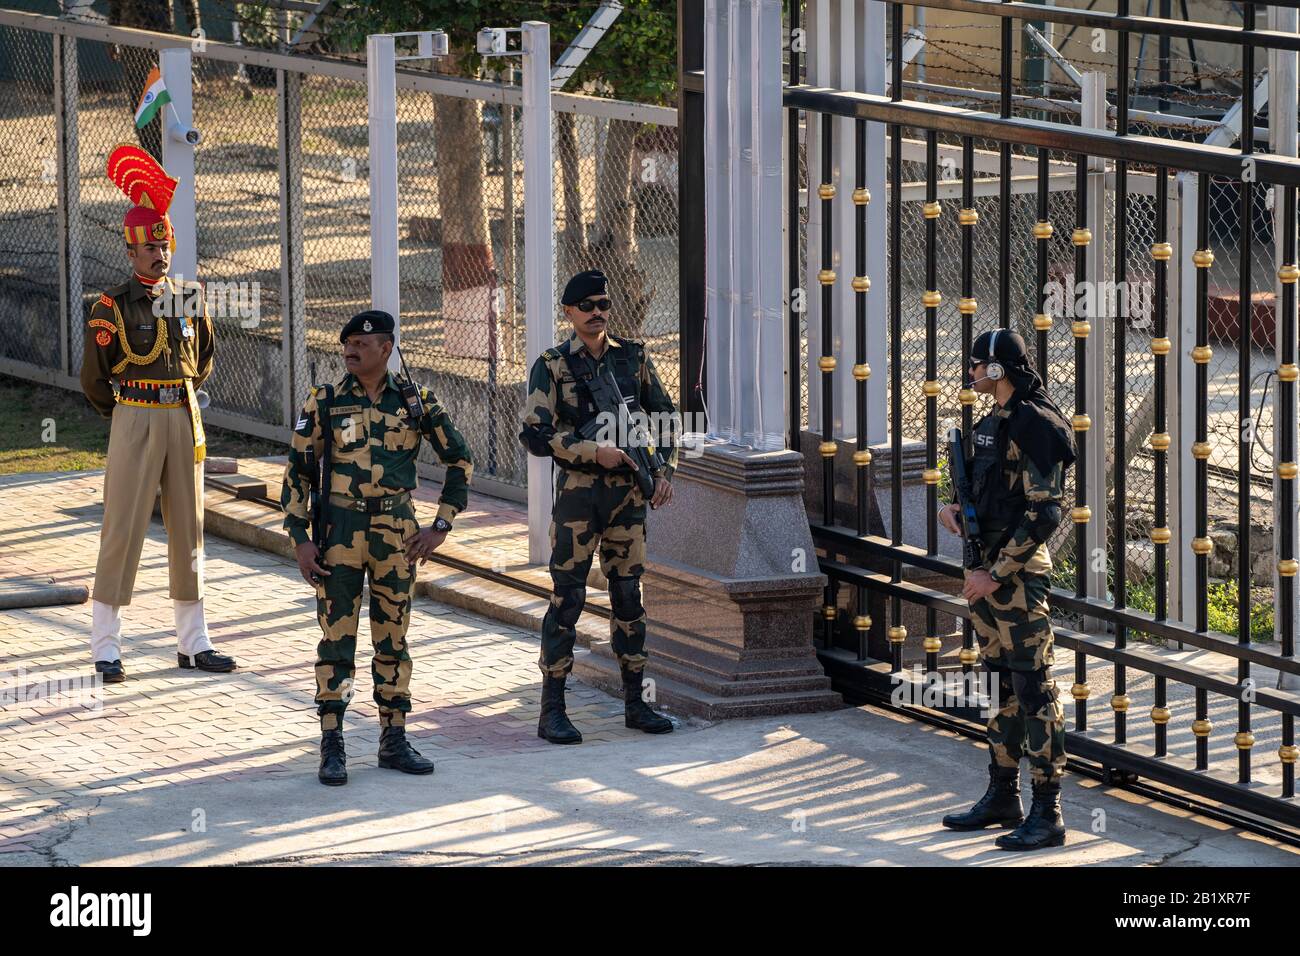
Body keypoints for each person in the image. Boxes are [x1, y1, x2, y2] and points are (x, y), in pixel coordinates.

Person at [281, 310, 473, 786]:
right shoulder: (325, 400)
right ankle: (332, 742)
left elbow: (460, 460)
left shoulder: (416, 402)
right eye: (346, 344)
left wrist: (440, 527)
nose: (350, 350)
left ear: (386, 349)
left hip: (396, 535)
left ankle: (394, 737)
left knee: (394, 639)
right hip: (339, 533)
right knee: (336, 639)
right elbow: (296, 474)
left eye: (361, 345)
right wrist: (302, 541)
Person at [81, 143, 234, 683]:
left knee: (189, 533)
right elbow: (95, 379)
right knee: (121, 528)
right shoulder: (113, 305)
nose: (160, 256)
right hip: (136, 416)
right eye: (150, 248)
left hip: (182, 415)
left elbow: (204, 358)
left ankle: (194, 643)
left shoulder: (189, 296)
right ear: (132, 250)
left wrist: (176, 401)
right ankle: (105, 646)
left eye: (165, 245)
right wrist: (127, 417)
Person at [520, 269, 679, 744]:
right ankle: (552, 711)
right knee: (567, 599)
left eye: (603, 305)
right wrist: (595, 452)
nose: (596, 313)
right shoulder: (552, 366)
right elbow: (535, 434)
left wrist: (665, 470)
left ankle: (636, 703)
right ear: (569, 312)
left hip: (628, 496)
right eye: (586, 306)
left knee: (629, 599)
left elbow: (667, 414)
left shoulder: (632, 357)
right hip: (578, 499)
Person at [937, 329, 1076, 851]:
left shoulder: (1035, 425)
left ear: (996, 369)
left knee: (1033, 689)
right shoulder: (991, 424)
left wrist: (994, 574)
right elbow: (985, 491)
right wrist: (955, 511)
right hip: (985, 570)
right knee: (998, 685)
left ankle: (1048, 811)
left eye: (977, 365)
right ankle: (1001, 794)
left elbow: (1046, 513)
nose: (971, 373)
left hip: (1015, 576)